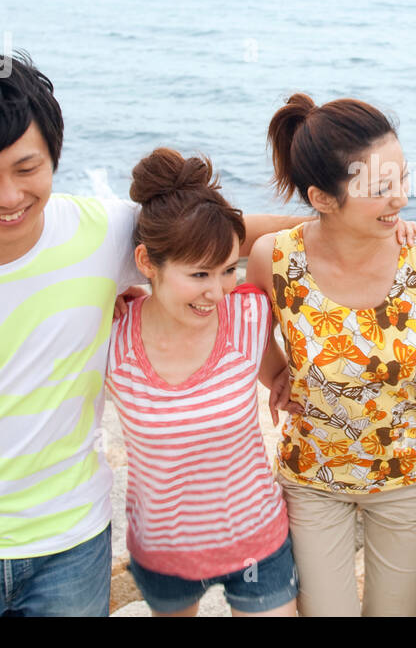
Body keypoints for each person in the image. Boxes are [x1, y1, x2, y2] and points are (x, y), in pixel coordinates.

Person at [0, 53, 327, 617]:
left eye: (26, 168)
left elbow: (216, 233)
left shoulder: (101, 234)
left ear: (54, 156)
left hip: (72, 547)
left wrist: (350, 221)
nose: (9, 196)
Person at [248, 94, 416, 617]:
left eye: (403, 180)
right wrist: (278, 373)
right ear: (322, 197)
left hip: (406, 477)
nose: (401, 200)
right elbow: (248, 333)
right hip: (312, 475)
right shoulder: (274, 259)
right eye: (381, 190)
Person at [103, 148, 298, 617]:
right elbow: (40, 394)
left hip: (259, 541)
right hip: (163, 552)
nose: (217, 291)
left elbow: (311, 235)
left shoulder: (248, 314)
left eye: (228, 268)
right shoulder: (111, 339)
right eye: (198, 275)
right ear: (146, 262)